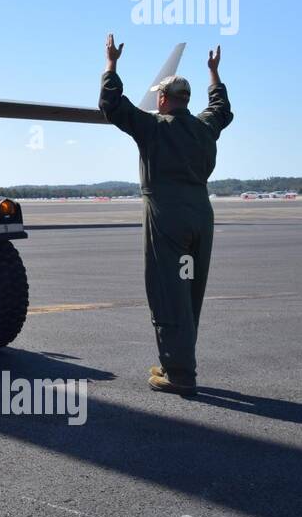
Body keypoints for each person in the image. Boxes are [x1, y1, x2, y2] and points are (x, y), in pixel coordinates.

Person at [98, 34, 233, 395]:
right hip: (200, 216)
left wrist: (111, 63)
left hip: (167, 217)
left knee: (167, 290)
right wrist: (213, 74)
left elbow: (111, 104)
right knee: (190, 291)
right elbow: (221, 109)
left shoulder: (153, 127)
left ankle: (179, 374)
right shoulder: (205, 127)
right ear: (185, 100)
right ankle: (178, 359)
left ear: (161, 99)